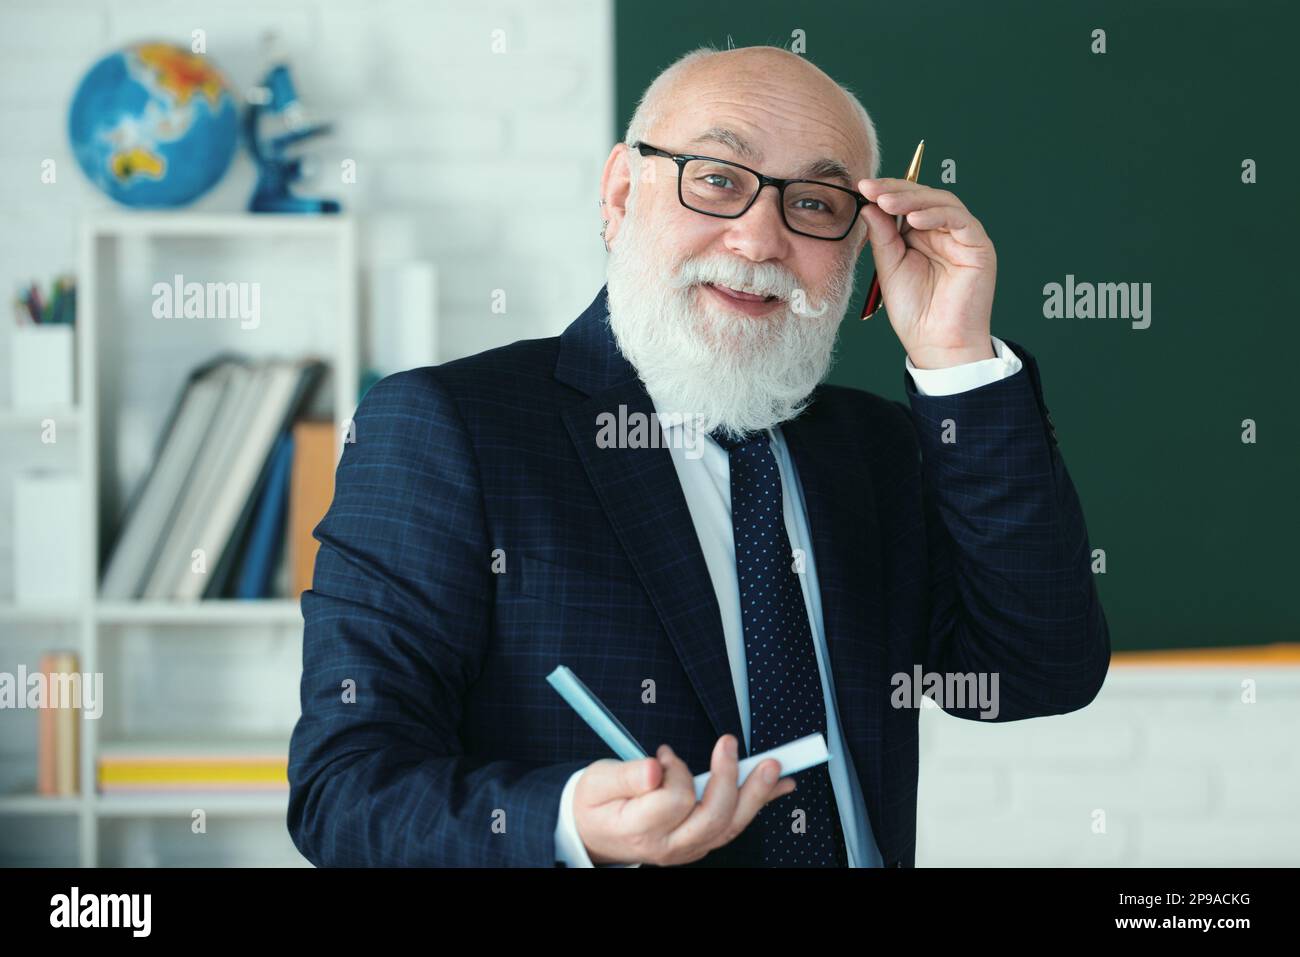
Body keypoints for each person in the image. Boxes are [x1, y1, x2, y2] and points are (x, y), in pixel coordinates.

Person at [287, 44, 1109, 868]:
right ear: (620, 193)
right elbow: (346, 790)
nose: (758, 242)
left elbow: (1036, 672)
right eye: (717, 179)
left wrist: (956, 354)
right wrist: (570, 823)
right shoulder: (449, 428)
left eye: (816, 203)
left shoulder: (875, 448)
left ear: (858, 245)